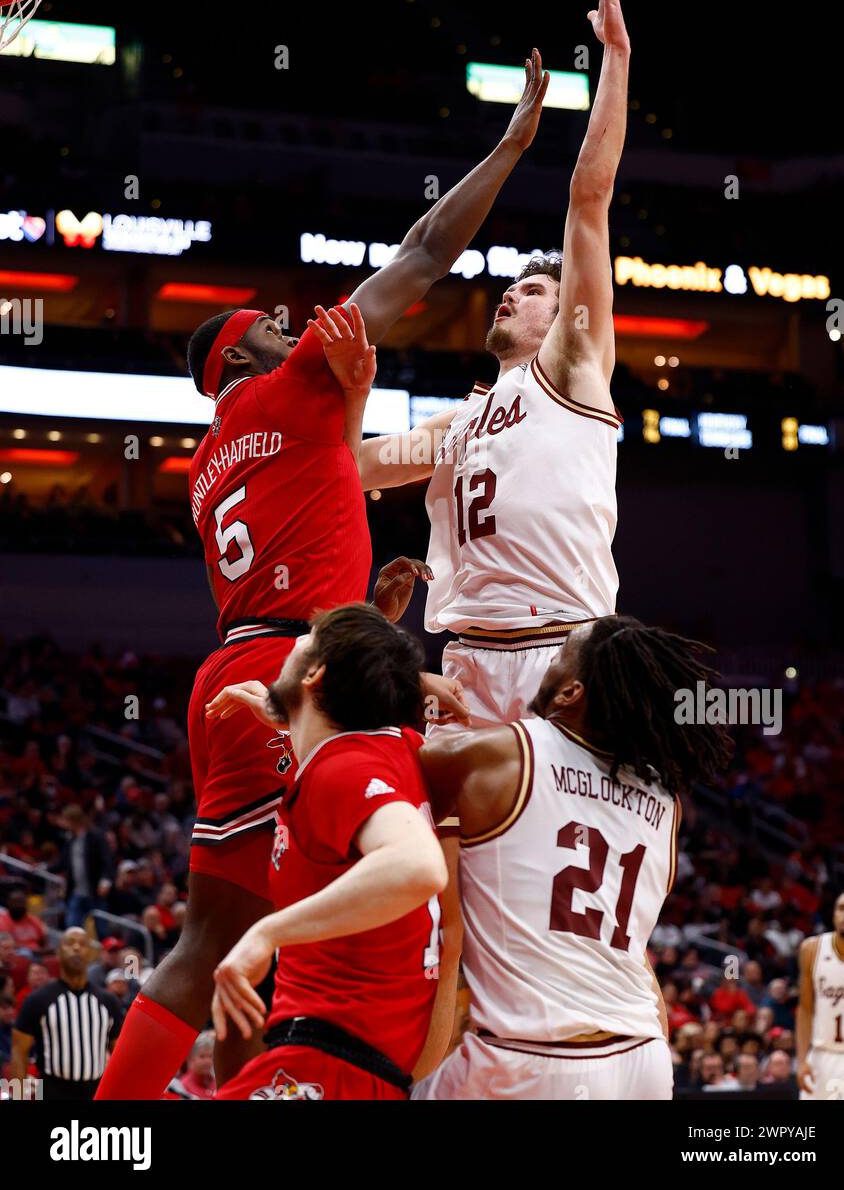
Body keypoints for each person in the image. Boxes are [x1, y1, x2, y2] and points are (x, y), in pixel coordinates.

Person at [96, 75, 544, 1101]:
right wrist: (512, 145)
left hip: (258, 659)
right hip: (296, 675)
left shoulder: (209, 466)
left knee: (257, 915)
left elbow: (309, 517)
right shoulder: (296, 378)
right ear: (246, 353)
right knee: (262, 920)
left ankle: (247, 1086)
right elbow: (427, 251)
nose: (291, 326)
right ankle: (111, 1129)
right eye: (271, 326)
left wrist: (366, 625)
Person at [355, 0, 629, 727]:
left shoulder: (574, 370)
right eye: (512, 286)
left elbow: (589, 196)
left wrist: (614, 53)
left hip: (561, 653)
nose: (513, 292)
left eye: (536, 290)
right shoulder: (461, 423)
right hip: (466, 660)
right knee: (451, 850)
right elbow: (358, 466)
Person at [411, 616, 733, 1099]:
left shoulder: (503, 754)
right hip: (643, 1053)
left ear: (569, 694)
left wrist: (410, 688)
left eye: (559, 658)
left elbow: (380, 769)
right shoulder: (667, 803)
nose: (547, 666)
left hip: (536, 1058)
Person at [207, 605, 449, 1101]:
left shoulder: (339, 771)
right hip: (365, 1068)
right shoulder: (398, 747)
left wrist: (267, 932)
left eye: (307, 639)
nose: (293, 643)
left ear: (316, 675)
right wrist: (287, 713)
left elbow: (419, 865)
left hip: (324, 1063)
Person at [10, 928, 124, 1100]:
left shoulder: (109, 1002)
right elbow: (19, 1054)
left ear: (90, 953)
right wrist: (18, 1098)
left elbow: (119, 1056)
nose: (76, 948)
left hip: (95, 1093)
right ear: (58, 952)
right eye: (70, 943)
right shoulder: (37, 1000)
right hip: (51, 1092)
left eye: (82, 944)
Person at [797, 889, 844, 1100]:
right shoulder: (811, 949)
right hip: (821, 1056)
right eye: (841, 908)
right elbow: (806, 1008)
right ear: (834, 914)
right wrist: (801, 1061)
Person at [57, 804, 114, 929]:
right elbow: (61, 863)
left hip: (95, 891)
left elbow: (107, 861)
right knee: (72, 928)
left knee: (101, 929)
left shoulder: (96, 836)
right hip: (76, 892)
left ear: (73, 820)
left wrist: (105, 881)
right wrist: (42, 867)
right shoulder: (70, 839)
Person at [0, 889, 48, 956]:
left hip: (38, 954)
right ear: (9, 903)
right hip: (16, 954)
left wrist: (43, 950)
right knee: (24, 953)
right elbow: (6, 944)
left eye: (22, 902)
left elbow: (43, 941)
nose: (19, 905)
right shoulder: (2, 920)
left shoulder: (33, 920)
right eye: (16, 902)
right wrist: (32, 950)